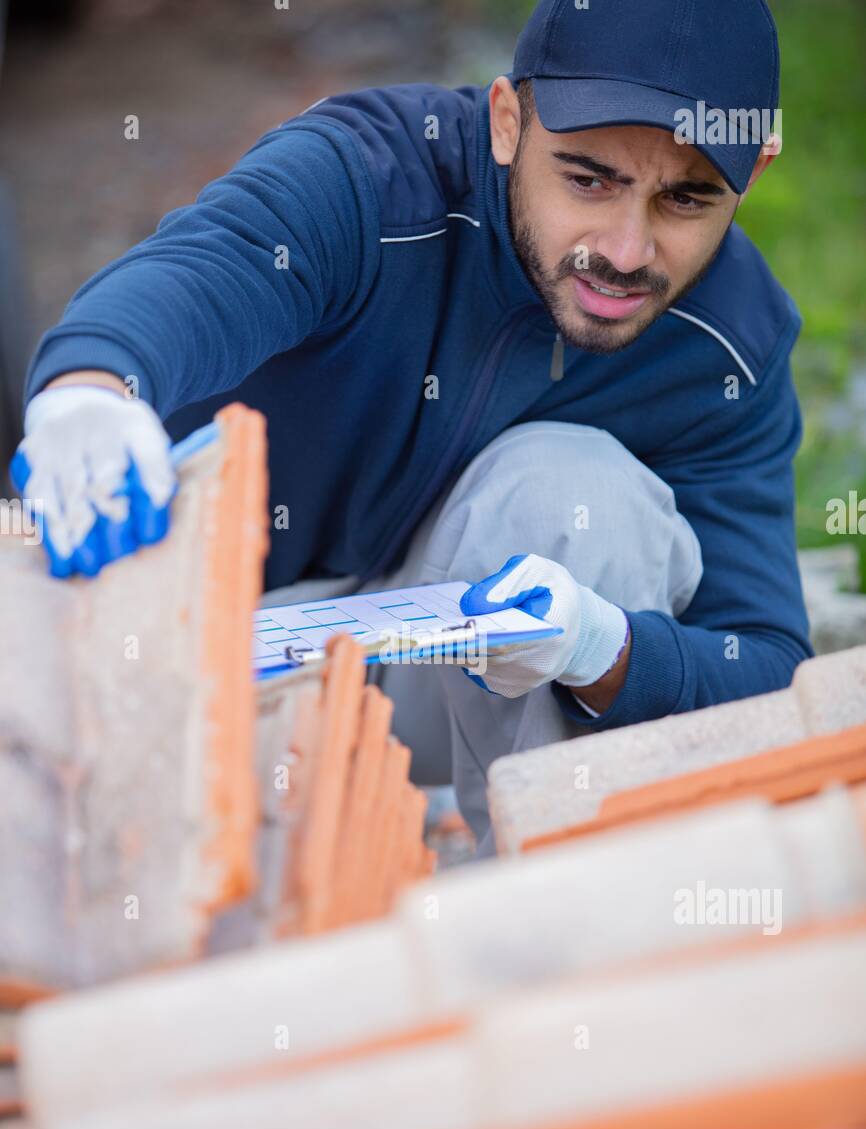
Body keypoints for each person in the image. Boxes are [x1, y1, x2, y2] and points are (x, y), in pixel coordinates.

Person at [12, 0, 811, 854]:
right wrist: (89, 392)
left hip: (451, 663)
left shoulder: (731, 344)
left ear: (754, 173)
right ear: (508, 122)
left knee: (578, 494)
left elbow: (763, 666)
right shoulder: (370, 175)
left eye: (685, 201)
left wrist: (599, 648)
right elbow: (209, 266)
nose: (623, 250)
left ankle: (551, 908)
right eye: (588, 179)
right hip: (207, 655)